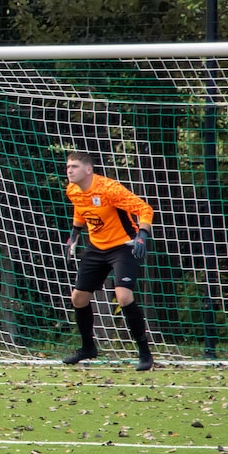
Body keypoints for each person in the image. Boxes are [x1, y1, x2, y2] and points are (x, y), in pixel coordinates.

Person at [61, 151, 155, 371]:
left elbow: (144, 208)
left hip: (123, 246)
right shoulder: (73, 190)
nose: (69, 170)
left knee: (123, 296)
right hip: (96, 247)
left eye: (74, 166)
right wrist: (74, 236)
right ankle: (88, 348)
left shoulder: (109, 189)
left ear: (88, 169)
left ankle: (145, 353)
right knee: (79, 298)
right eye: (68, 167)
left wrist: (142, 235)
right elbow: (80, 210)